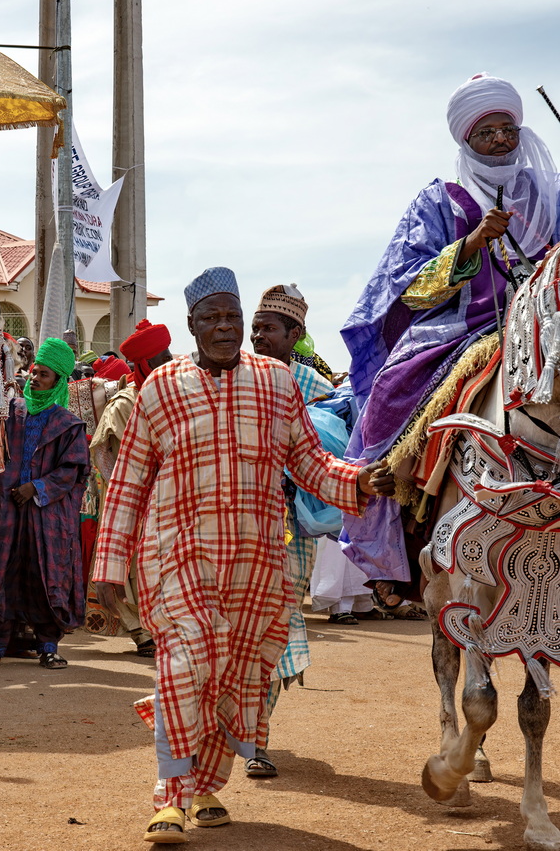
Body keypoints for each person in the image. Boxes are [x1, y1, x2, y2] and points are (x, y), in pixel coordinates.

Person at [93, 267, 394, 843]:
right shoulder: (159, 389)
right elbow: (129, 482)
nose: (225, 328)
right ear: (192, 326)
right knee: (187, 665)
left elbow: (309, 462)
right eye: (212, 319)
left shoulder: (277, 384)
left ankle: (206, 785)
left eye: (232, 316)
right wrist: (109, 567)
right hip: (178, 556)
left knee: (231, 677)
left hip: (257, 562)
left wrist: (359, 482)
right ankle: (171, 795)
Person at [342, 73, 560, 606]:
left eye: (507, 128)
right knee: (394, 394)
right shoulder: (438, 201)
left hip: (545, 325)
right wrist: (469, 245)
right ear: (467, 140)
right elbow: (408, 288)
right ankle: (405, 524)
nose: (501, 140)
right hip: (468, 327)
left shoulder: (550, 194)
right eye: (487, 131)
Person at [0, 338, 90, 670]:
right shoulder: (10, 412)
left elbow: (73, 471)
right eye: (34, 372)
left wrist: (36, 488)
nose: (35, 378)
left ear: (58, 381)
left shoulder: (68, 424)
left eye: (44, 375)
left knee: (44, 577)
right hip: (4, 513)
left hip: (45, 519)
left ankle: (48, 646)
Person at [247, 283, 335, 777]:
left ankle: (259, 740)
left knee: (276, 626)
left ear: (294, 333)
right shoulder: (236, 376)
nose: (259, 337)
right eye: (256, 328)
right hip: (235, 523)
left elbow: (325, 457)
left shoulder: (317, 388)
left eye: (270, 329)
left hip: (290, 529)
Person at [90, 319, 173, 657]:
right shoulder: (126, 405)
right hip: (136, 495)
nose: (170, 362)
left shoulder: (178, 393)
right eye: (162, 358)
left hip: (174, 495)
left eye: (169, 354)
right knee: (135, 563)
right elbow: (121, 458)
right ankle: (141, 631)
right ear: (145, 365)